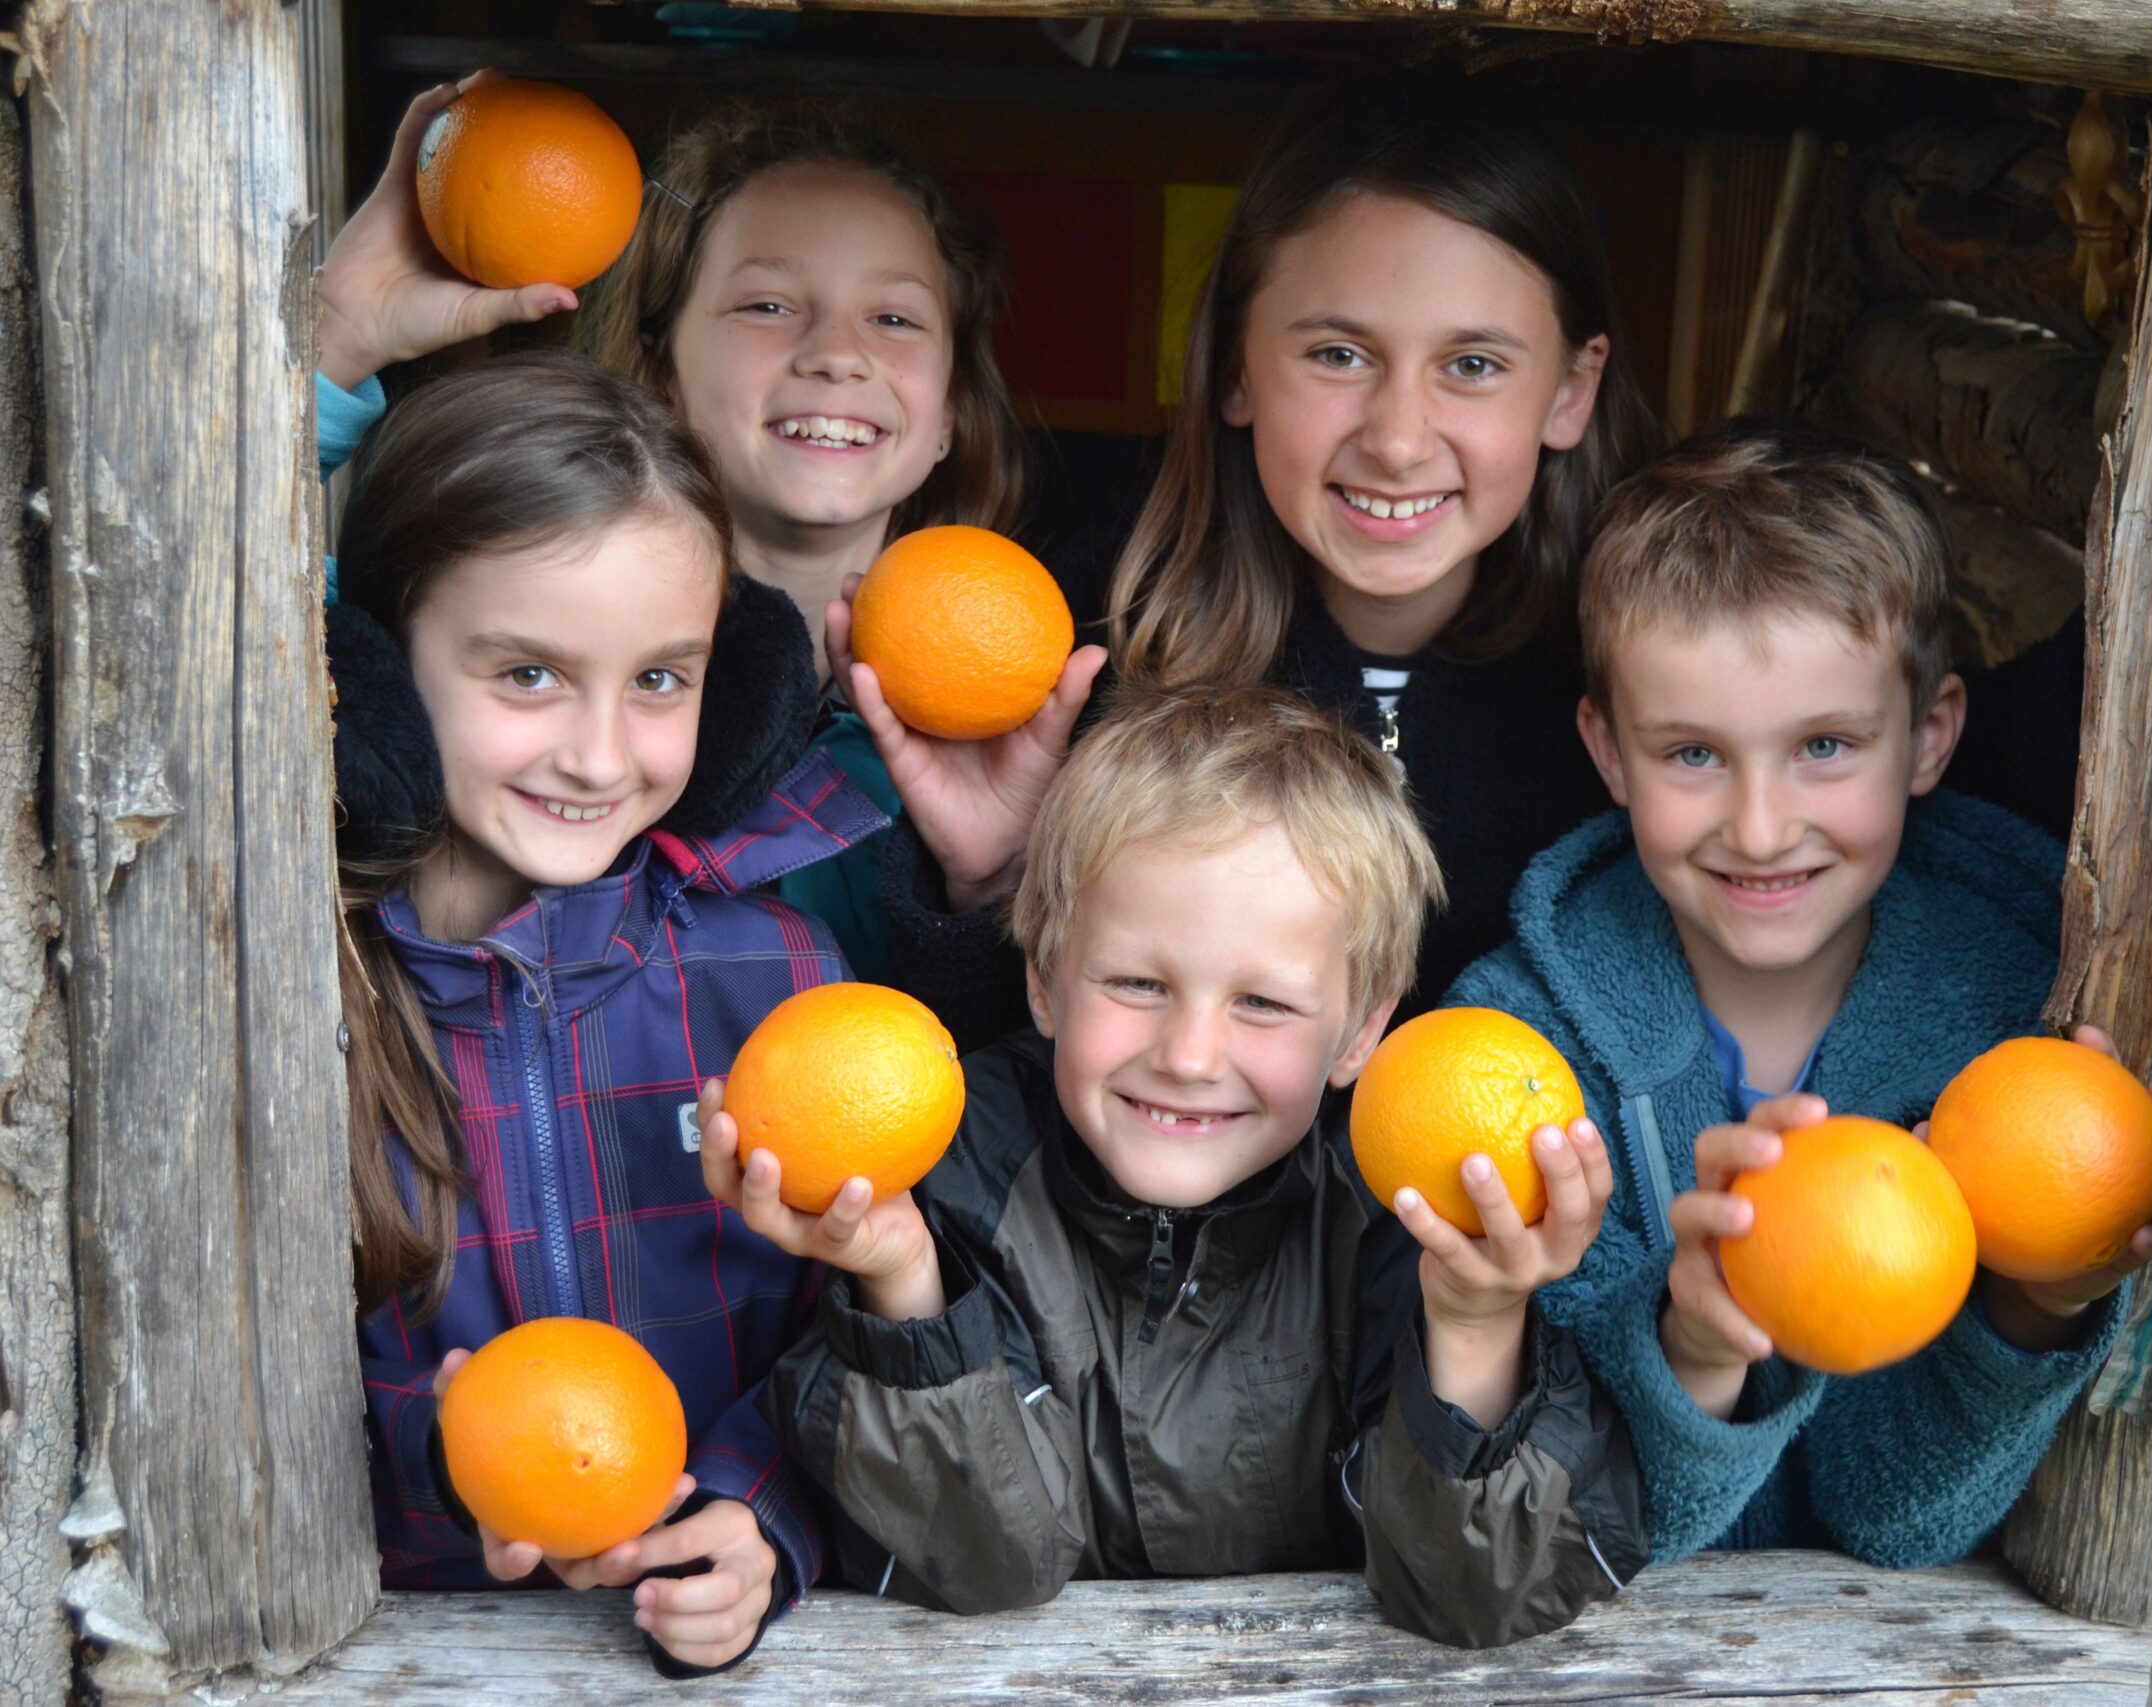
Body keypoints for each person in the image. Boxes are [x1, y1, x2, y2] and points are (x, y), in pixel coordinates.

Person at [702, 686, 1647, 1646]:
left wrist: (1478, 1322)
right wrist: (903, 1277)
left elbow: (1472, 1593)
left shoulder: (1397, 1211)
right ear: (1043, 977)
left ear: (1363, 1030)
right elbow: (987, 1558)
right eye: (1138, 983)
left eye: (1264, 1004)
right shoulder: (953, 1167)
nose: (1190, 1055)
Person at [1445, 422, 2152, 1564]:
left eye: (1826, 747)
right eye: (1692, 755)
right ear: (1607, 755)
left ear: (1930, 736)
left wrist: (2041, 1300)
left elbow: (1896, 1518)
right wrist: (1697, 1346)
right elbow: (1587, 1538)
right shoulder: (1515, 1051)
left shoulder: (2022, 1032)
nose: (1759, 827)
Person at [888, 77, 1661, 1044]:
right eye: (1339, 355)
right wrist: (989, 887)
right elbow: (999, 1105)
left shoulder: (1635, 686)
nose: (1398, 439)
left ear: (1570, 391)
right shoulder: (1082, 651)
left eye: (1472, 365)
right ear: (1235, 369)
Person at [333, 352, 879, 1672]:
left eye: (659, 680)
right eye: (526, 674)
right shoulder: (299, 999)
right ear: (378, 672)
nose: (598, 752)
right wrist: (448, 1456)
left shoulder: (790, 982)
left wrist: (762, 1514)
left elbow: (853, 1341)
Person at [578, 99, 1104, 977]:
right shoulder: (568, 647)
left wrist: (990, 887)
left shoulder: (1033, 716)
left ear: (948, 414)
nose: (836, 354)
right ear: (660, 372)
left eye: (894, 319)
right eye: (770, 303)